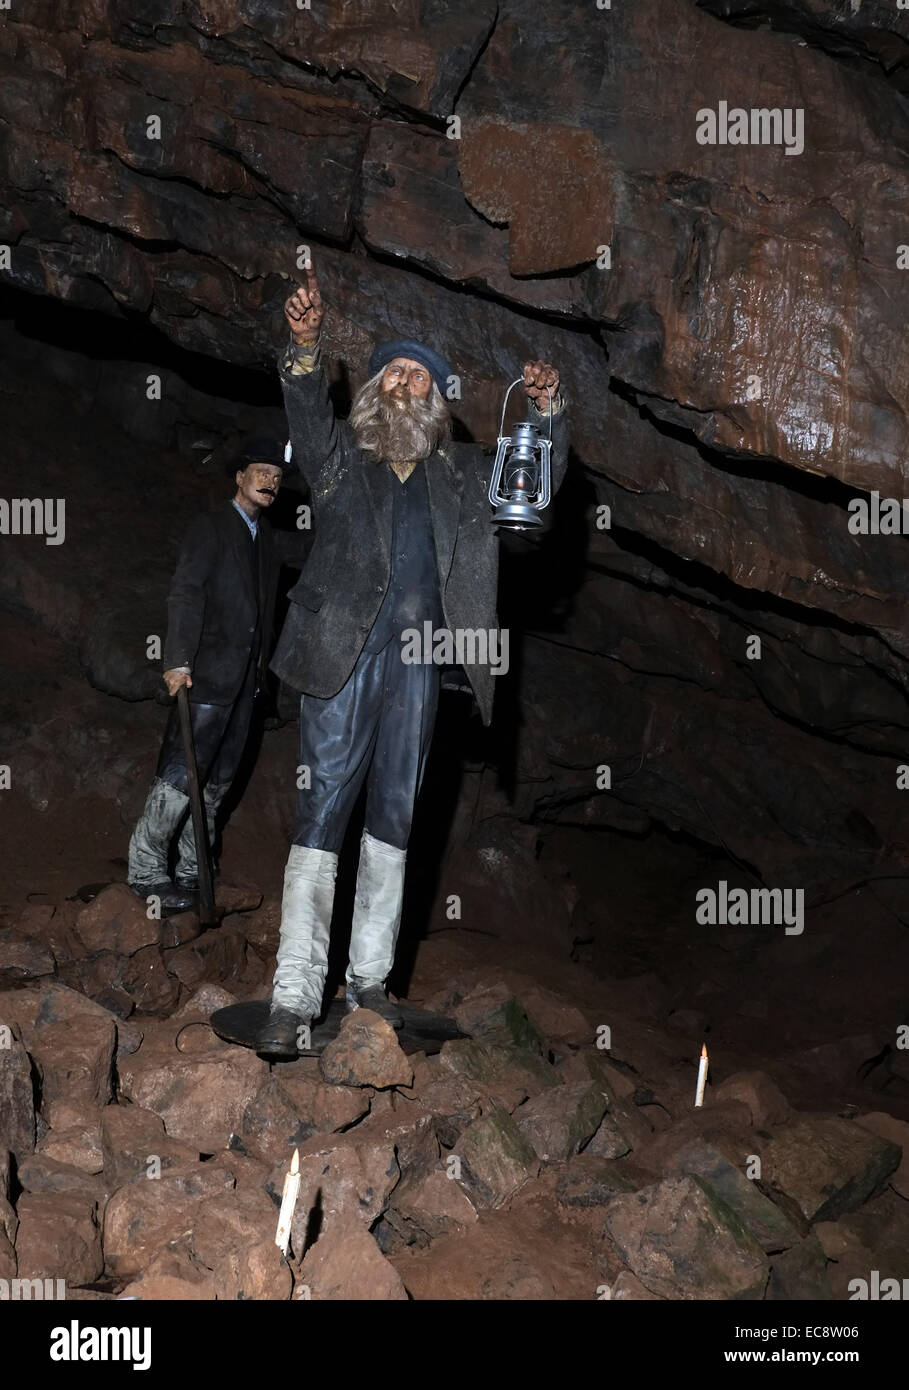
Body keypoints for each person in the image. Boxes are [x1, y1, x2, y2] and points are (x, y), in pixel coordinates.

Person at [258, 264, 570, 1057]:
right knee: (322, 812)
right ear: (372, 392)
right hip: (340, 656)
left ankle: (368, 985)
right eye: (392, 371)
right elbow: (304, 404)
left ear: (435, 399)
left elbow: (533, 482)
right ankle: (294, 995)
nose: (404, 380)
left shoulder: (464, 477)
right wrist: (303, 348)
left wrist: (546, 411)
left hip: (420, 668)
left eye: (419, 375)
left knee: (395, 820)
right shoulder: (338, 466)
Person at [127, 438, 307, 913]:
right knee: (180, 776)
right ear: (239, 477)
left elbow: (307, 558)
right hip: (205, 675)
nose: (270, 482)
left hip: (247, 684)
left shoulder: (266, 541)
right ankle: (146, 871)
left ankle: (192, 869)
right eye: (261, 472)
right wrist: (177, 660)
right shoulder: (211, 527)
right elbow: (186, 592)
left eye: (276, 475)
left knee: (216, 784)